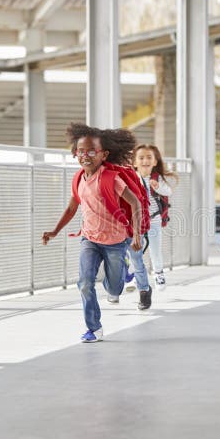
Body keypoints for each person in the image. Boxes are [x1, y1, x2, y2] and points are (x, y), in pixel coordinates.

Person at [42, 124, 143, 342]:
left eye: (91, 152)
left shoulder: (111, 178)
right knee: (85, 283)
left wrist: (136, 235)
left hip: (115, 242)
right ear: (75, 153)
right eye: (81, 151)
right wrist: (55, 231)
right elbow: (72, 208)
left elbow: (135, 202)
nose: (85, 156)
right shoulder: (79, 179)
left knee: (114, 289)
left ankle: (123, 269)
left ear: (103, 155)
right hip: (89, 240)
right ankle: (94, 328)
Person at [127, 143, 177, 310]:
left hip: (154, 219)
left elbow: (168, 192)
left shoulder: (157, 178)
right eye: (141, 158)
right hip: (137, 222)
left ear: (155, 162)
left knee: (155, 249)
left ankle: (158, 273)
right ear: (134, 162)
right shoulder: (131, 178)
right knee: (136, 251)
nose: (145, 161)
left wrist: (158, 186)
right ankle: (135, 276)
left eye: (149, 157)